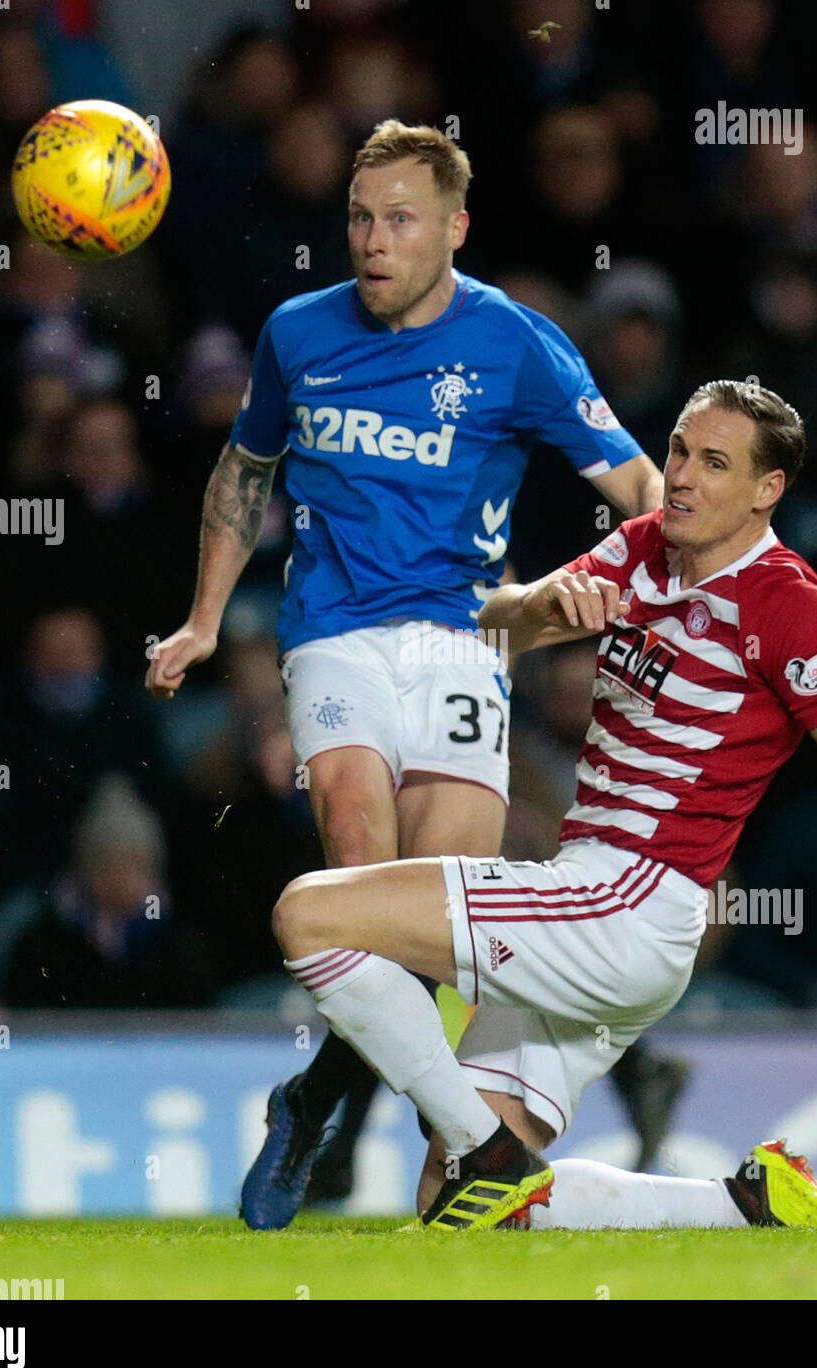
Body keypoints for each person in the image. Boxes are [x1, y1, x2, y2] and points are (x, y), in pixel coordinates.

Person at [266, 378, 817, 1232]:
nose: (681, 477)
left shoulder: (789, 606)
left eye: (715, 463)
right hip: (591, 901)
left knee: (308, 915)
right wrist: (544, 606)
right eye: (677, 450)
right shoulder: (641, 548)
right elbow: (488, 628)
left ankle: (469, 1139)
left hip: (630, 904)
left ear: (766, 490)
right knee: (457, 1208)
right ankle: (743, 1203)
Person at [144, 120, 664, 1227]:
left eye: (399, 220)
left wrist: (650, 597)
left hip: (464, 638)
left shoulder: (515, 344)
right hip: (332, 632)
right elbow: (244, 473)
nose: (372, 242)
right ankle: (473, 1149)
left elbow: (635, 487)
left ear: (453, 228)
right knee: (354, 867)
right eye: (358, 218)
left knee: (435, 922)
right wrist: (198, 622)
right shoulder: (296, 331)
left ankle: (326, 1101)